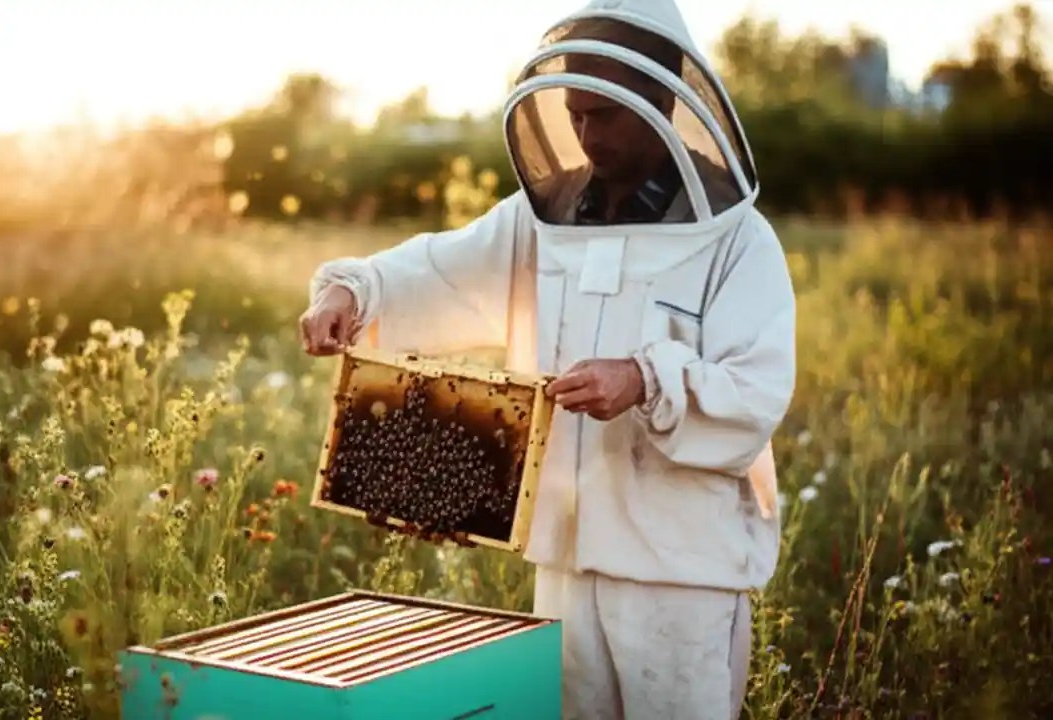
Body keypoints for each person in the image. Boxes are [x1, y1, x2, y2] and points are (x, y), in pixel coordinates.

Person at [299, 0, 796, 718]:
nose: (587, 135)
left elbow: (754, 393)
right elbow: (441, 271)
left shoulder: (737, 243)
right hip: (562, 564)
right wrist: (354, 292)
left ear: (657, 99)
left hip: (680, 576)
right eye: (575, 115)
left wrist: (642, 379)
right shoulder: (543, 218)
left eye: (604, 115)